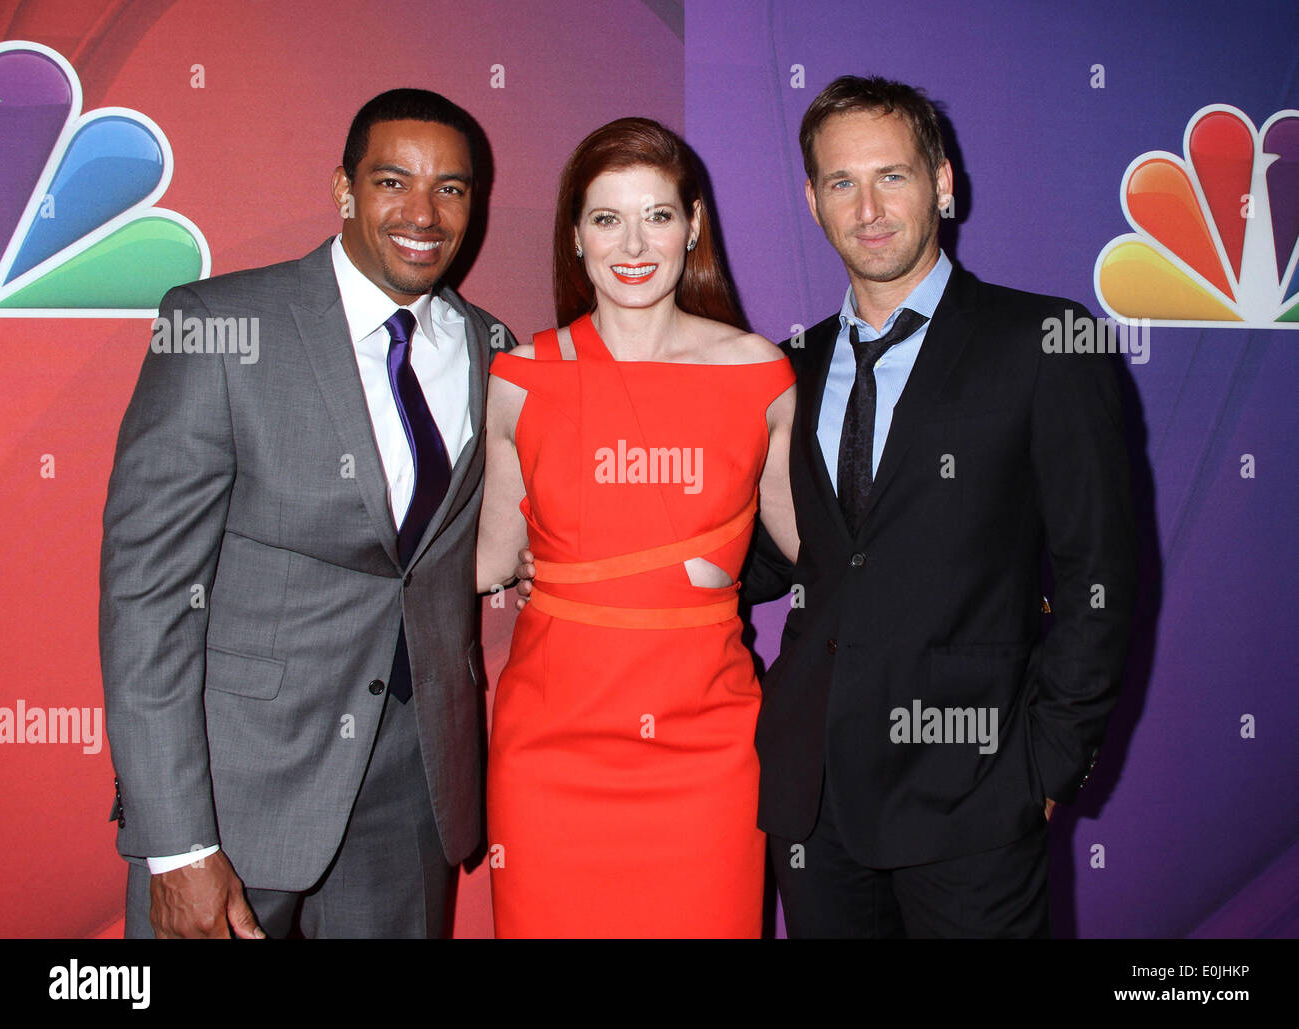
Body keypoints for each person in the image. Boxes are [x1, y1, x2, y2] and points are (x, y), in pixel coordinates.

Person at [100, 88, 517, 938]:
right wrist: (177, 846)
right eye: (393, 181)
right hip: (236, 793)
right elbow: (147, 599)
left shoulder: (492, 348)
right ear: (343, 189)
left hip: (412, 796)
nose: (423, 213)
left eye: (452, 189)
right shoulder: (219, 326)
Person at [737, 75, 1137, 937]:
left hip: (976, 797)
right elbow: (779, 553)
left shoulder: (1043, 343)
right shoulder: (787, 366)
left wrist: (1047, 768)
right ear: (812, 200)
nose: (869, 207)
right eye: (842, 182)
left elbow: (1099, 573)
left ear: (944, 184)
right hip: (815, 803)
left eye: (895, 175)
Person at [476, 117, 798, 938]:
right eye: (606, 217)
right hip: (550, 750)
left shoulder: (761, 374)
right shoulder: (519, 376)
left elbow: (816, 550)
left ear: (693, 226)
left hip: (707, 749)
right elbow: (484, 561)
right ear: (575, 237)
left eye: (657, 214)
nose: (634, 242)